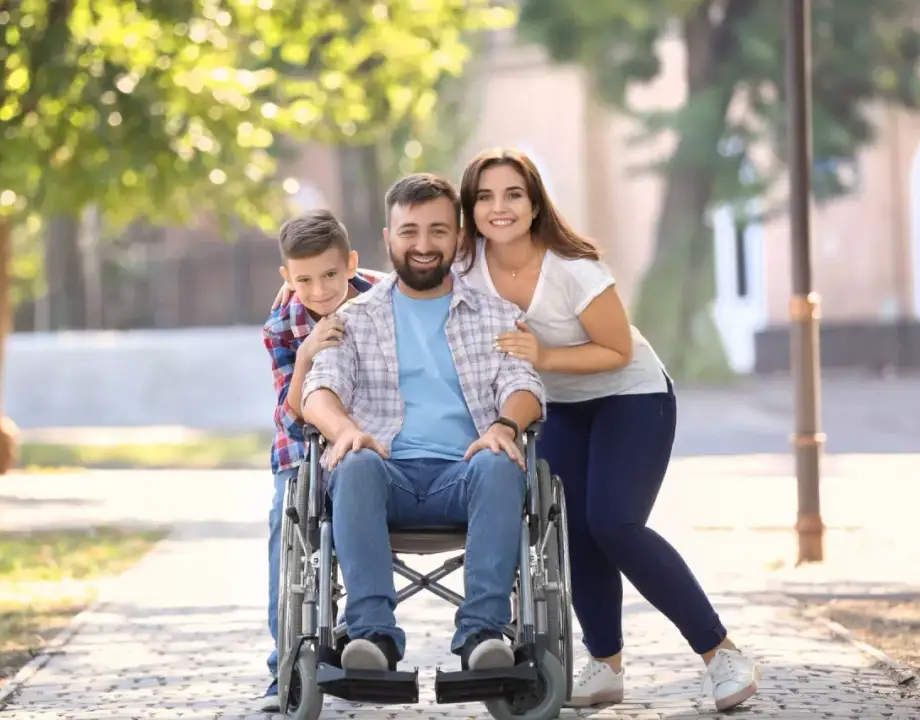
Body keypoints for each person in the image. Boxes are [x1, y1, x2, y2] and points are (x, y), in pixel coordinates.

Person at [456, 147, 761, 711]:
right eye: (485, 197)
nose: (500, 207)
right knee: (575, 533)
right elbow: (406, 274)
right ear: (470, 209)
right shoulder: (466, 265)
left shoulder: (572, 269)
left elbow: (617, 350)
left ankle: (722, 653)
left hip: (632, 396)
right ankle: (606, 667)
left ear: (534, 202)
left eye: (513, 194)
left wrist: (542, 354)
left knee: (615, 524)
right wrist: (324, 285)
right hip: (563, 408)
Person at [300, 172, 546, 673]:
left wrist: (503, 425)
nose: (424, 244)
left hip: (466, 472)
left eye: (438, 230)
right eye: (409, 231)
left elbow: (525, 384)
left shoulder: (496, 315)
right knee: (354, 462)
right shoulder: (355, 317)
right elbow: (317, 390)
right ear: (389, 239)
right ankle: (371, 637)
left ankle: (483, 634)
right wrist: (344, 430)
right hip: (383, 473)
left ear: (458, 237)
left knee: (501, 462)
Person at [257, 208, 380, 711]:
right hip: (301, 451)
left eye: (330, 274)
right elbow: (290, 411)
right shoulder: (281, 324)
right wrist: (306, 353)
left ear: (351, 263)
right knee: (284, 529)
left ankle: (359, 624)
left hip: (370, 445)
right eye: (303, 279)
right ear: (286, 278)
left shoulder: (383, 298)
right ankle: (281, 665)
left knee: (357, 501)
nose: (320, 288)